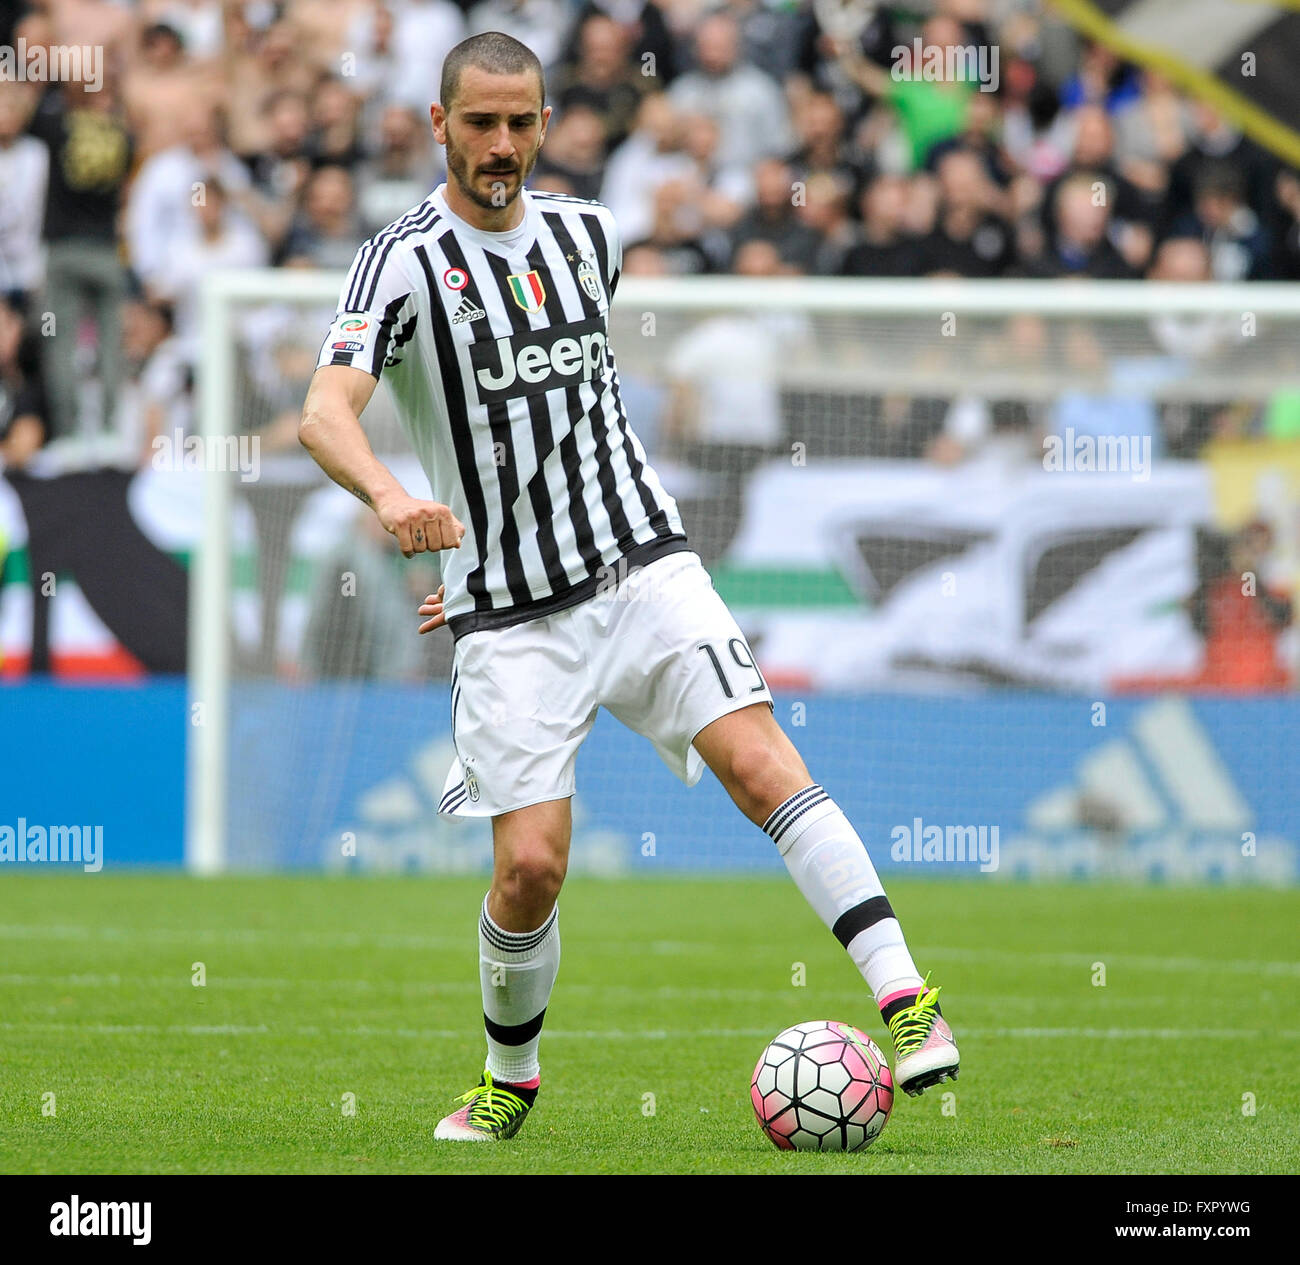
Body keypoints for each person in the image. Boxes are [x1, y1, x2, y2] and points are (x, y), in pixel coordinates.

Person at [298, 31, 958, 1143]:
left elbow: (567, 423)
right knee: (530, 868)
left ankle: (908, 1000)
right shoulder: (399, 263)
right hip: (511, 617)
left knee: (759, 760)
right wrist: (393, 502)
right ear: (437, 124)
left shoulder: (589, 238)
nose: (500, 146)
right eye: (479, 124)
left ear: (545, 123)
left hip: (643, 564)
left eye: (520, 123)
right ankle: (513, 1076)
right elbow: (325, 410)